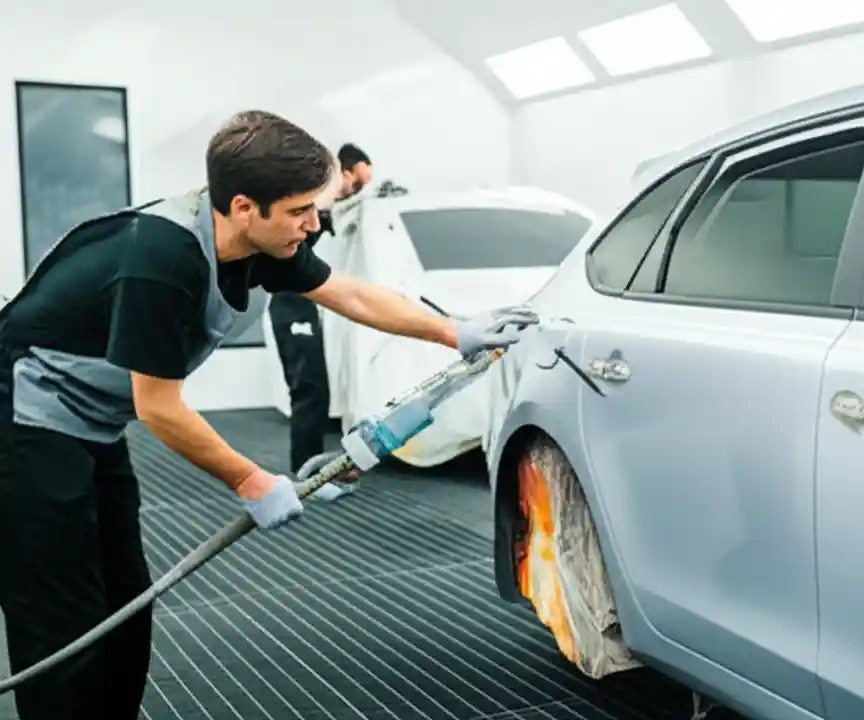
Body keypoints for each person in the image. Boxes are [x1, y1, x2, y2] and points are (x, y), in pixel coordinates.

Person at [0, 110, 537, 720]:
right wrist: (250, 481)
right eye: (302, 210)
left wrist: (452, 330)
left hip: (90, 420)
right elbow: (160, 408)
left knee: (127, 598)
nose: (315, 225)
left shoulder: (260, 243)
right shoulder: (161, 257)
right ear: (244, 206)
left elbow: (350, 293)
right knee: (63, 618)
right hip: (20, 420)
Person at [267, 142, 372, 497]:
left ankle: (312, 472)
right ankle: (306, 479)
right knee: (308, 390)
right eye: (360, 178)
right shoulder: (310, 207)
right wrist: (335, 195)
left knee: (317, 389)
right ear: (346, 173)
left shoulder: (322, 212)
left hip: (303, 305)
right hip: (289, 306)